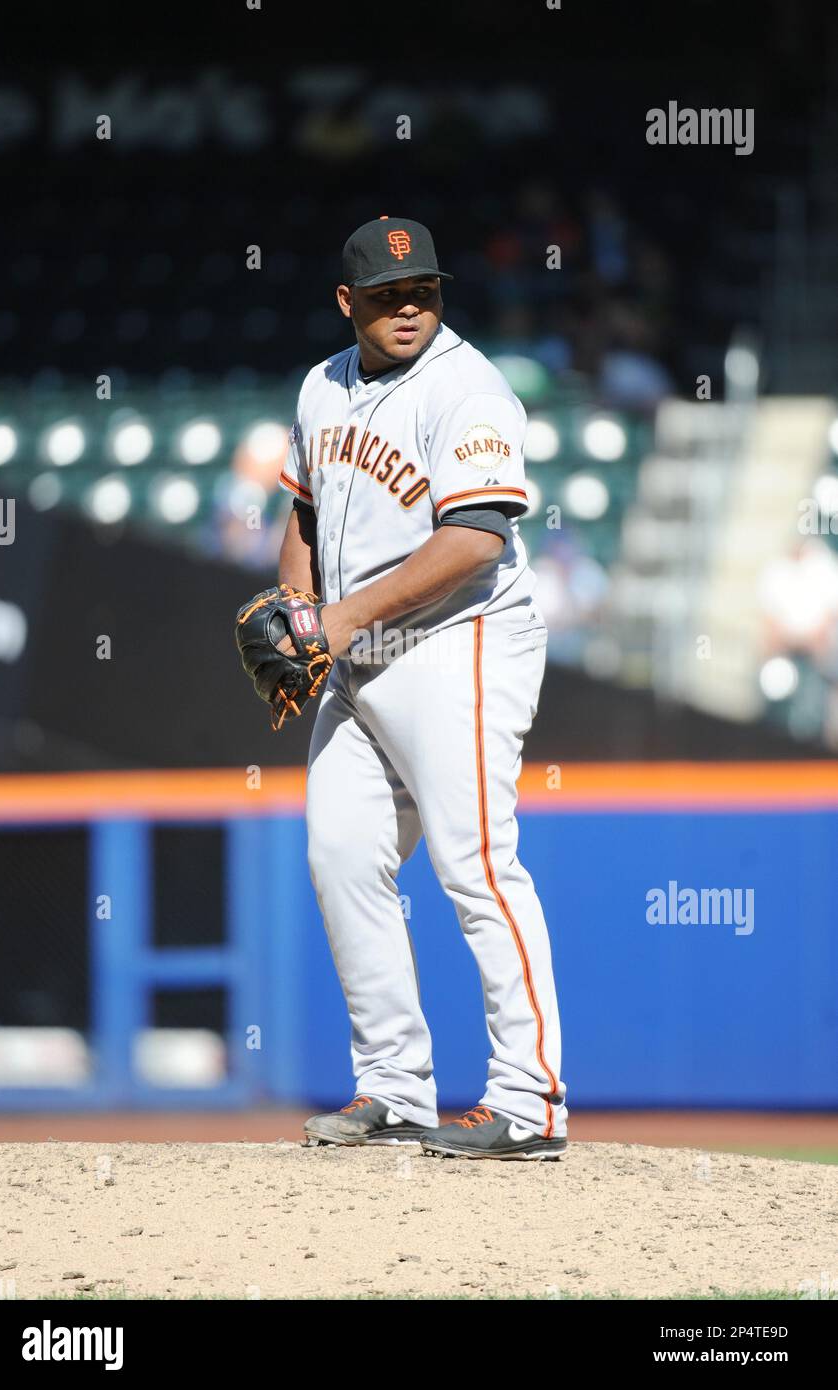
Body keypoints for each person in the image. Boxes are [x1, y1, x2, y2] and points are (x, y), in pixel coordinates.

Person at [277, 216, 568, 1159]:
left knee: (475, 864)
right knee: (341, 854)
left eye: (424, 291)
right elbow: (306, 511)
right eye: (388, 294)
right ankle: (395, 1087)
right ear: (346, 302)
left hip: (461, 640)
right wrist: (295, 612)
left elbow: (476, 537)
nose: (409, 307)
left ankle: (531, 1102)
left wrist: (343, 618)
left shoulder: (469, 389)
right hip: (360, 656)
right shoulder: (322, 386)